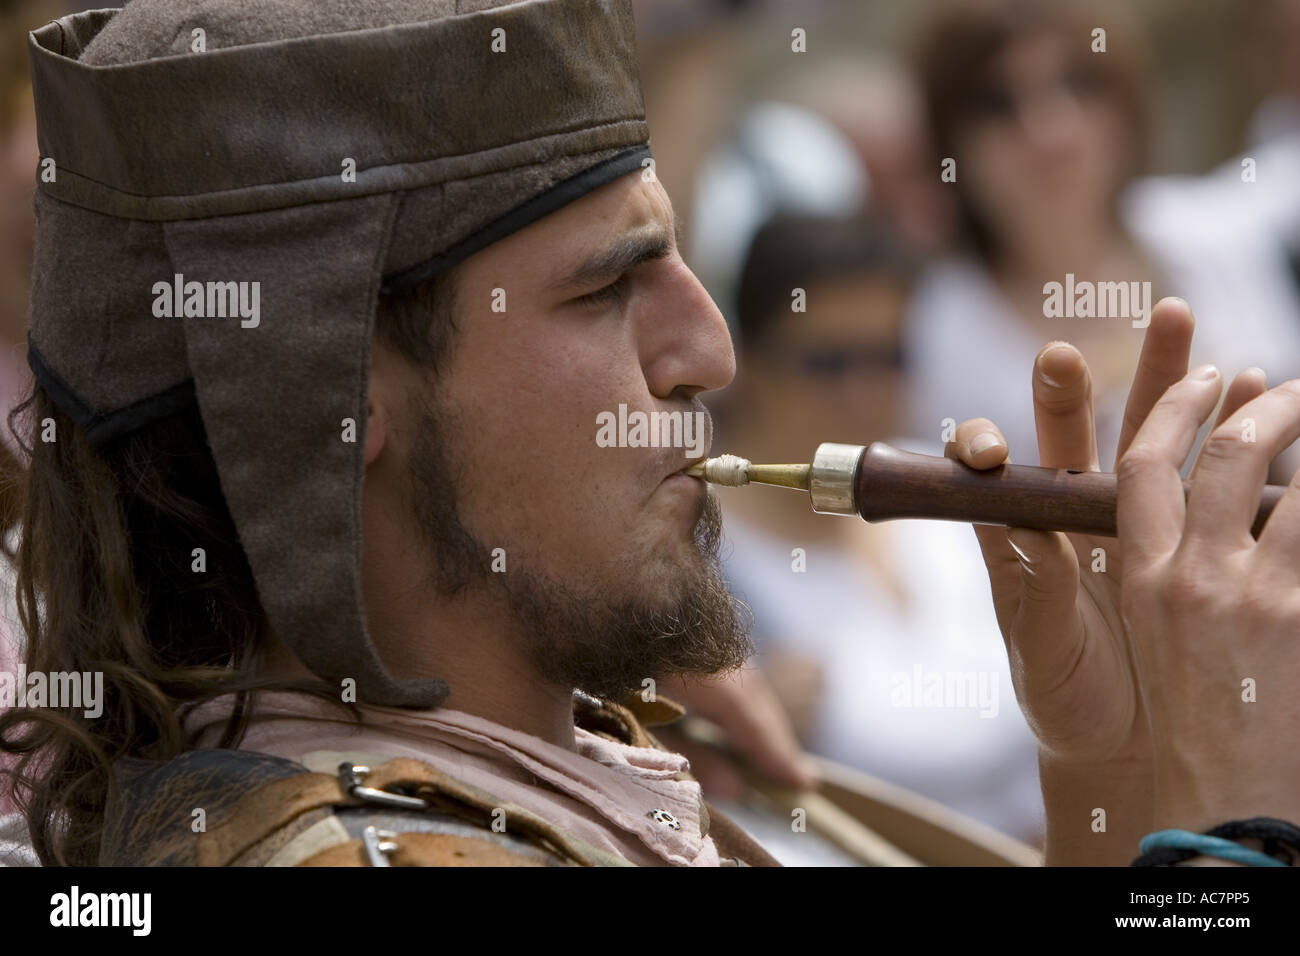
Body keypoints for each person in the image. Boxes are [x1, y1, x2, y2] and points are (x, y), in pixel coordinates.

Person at [702, 213, 1042, 843]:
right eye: (828, 363)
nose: (865, 393)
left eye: (890, 358)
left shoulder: (947, 480)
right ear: (745, 362)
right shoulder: (693, 547)